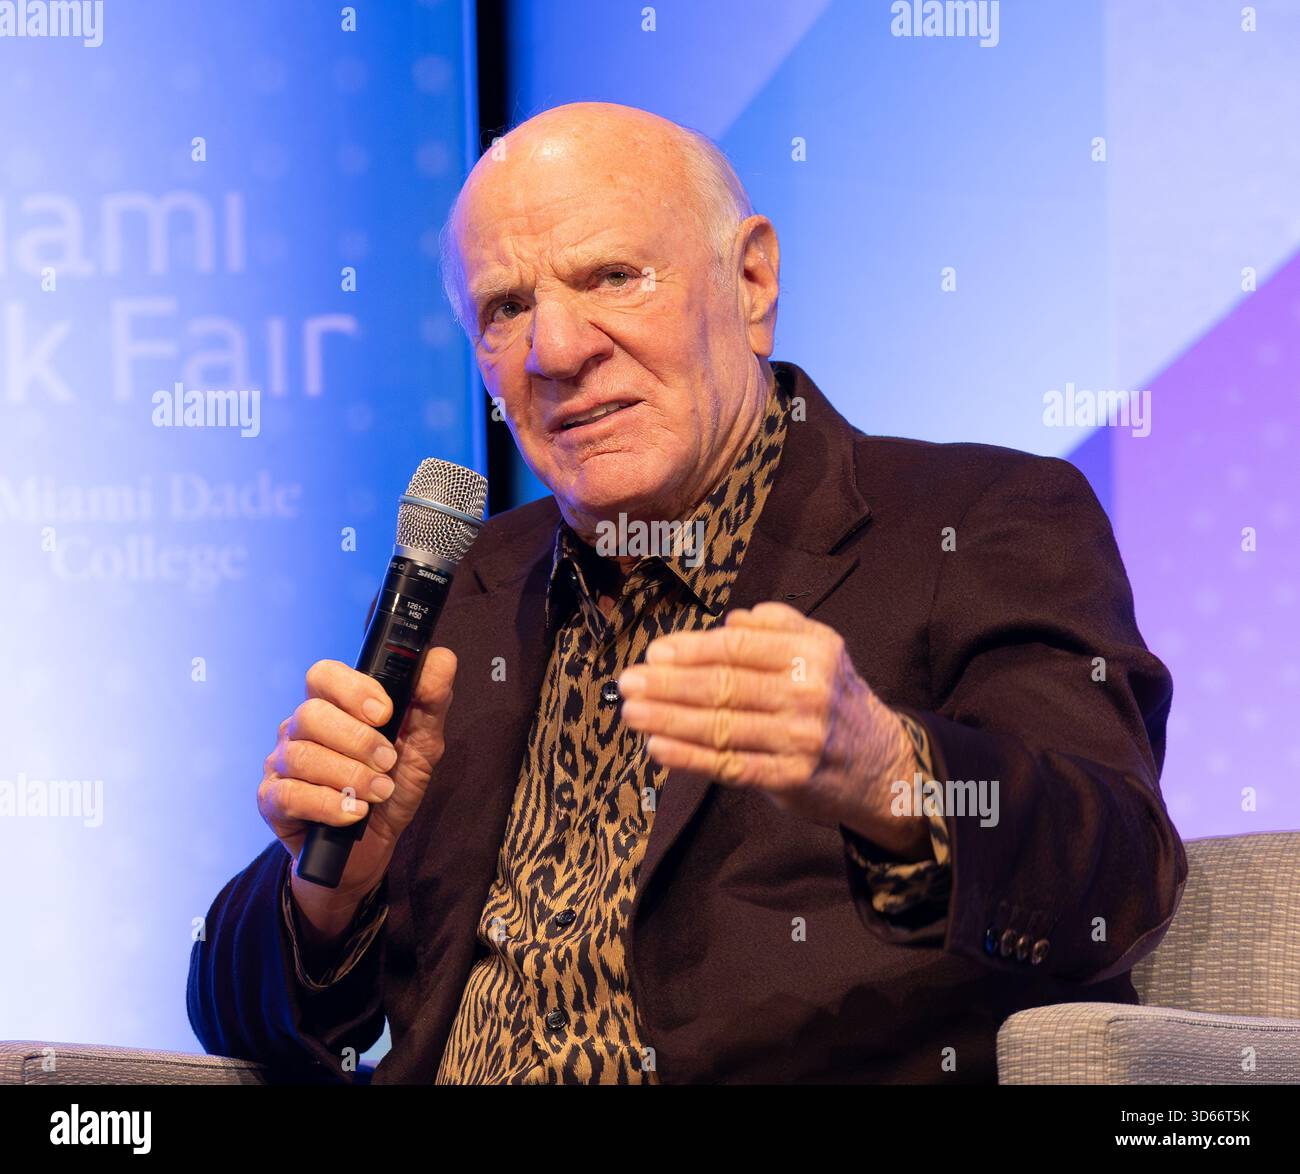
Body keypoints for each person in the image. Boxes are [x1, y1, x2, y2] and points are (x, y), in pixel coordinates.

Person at [187, 101, 1187, 1084]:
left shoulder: (971, 521)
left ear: (751, 281)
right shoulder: (465, 589)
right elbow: (230, 1012)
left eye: (612, 276)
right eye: (506, 308)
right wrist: (330, 889)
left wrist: (894, 774)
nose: (557, 350)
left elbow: (1120, 880)